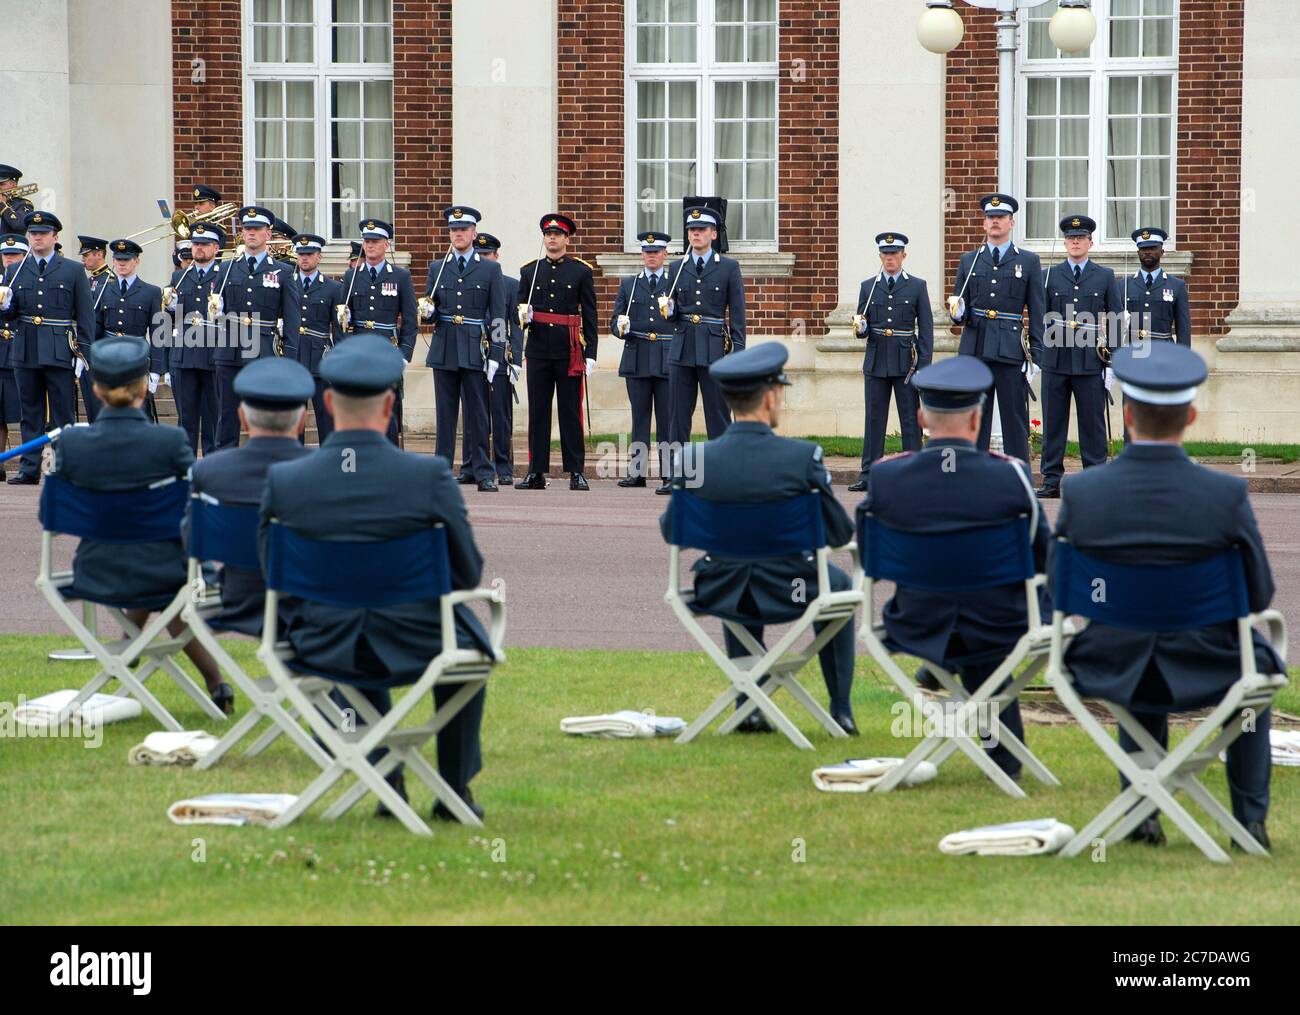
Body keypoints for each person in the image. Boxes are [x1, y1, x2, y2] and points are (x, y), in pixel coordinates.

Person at [1050, 342, 1284, 849]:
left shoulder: (1084, 492)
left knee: (1135, 646)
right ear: (1192, 415)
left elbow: (1060, 588)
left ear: (1127, 414)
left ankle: (1139, 813)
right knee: (1254, 675)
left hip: (1107, 658)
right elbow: (1259, 589)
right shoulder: (1224, 496)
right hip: (1210, 659)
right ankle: (1248, 819)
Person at [259, 333, 490, 819]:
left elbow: (271, 572)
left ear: (326, 403)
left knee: (352, 625)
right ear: (390, 405)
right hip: (420, 637)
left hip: (320, 641)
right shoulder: (428, 477)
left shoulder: (286, 480)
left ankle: (386, 781)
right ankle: (453, 791)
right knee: (466, 657)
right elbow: (468, 569)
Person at [857, 355, 1050, 779]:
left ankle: (945, 664)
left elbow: (870, 558)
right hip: (1002, 623)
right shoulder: (1012, 476)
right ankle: (1003, 758)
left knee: (963, 608)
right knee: (984, 615)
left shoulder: (888, 478)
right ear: (978, 419)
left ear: (922, 416)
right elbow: (1042, 556)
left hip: (916, 622)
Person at [658, 343, 858, 735]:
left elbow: (672, 530)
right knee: (839, 583)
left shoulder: (694, 459)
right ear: (770, 398)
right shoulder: (802, 458)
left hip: (718, 589)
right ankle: (841, 708)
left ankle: (747, 705)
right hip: (794, 588)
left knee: (736, 566)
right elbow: (839, 532)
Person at [51, 336, 232, 713]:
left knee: (145, 559)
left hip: (95, 571)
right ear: (142, 386)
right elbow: (193, 503)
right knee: (165, 577)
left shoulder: (72, 444)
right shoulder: (169, 441)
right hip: (165, 569)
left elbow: (51, 516)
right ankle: (215, 683)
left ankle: (130, 648)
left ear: (96, 390)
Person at [184, 356, 314, 635]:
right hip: (311, 607)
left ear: (242, 418)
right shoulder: (327, 473)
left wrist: (211, 578)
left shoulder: (209, 472)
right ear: (303, 421)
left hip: (237, 603)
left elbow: (188, 536)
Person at [947, 193, 1044, 464]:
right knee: (976, 413)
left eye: (1001, 218)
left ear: (1011, 223)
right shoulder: (970, 260)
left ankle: (1018, 473)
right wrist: (956, 312)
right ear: (984, 224)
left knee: (1014, 415)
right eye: (990, 218)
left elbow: (1037, 310)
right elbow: (959, 307)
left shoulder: (1027, 261)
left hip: (1009, 347)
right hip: (975, 344)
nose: (995, 222)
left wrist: (1036, 355)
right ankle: (974, 471)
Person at [0, 211, 94, 485]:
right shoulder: (15, 269)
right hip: (26, 346)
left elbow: (86, 315)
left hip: (58, 347)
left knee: (64, 411)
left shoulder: (73, 270)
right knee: (30, 412)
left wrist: (84, 353)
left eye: (42, 234)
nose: (37, 238)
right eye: (33, 234)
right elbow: (10, 314)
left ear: (54, 237)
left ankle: (65, 467)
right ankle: (30, 468)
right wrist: (5, 307)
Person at [421, 206, 508, 490]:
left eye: (463, 230)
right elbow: (432, 311)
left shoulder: (490, 268)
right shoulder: (438, 266)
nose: (458, 234)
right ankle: (441, 471)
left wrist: (497, 353)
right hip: (445, 345)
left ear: (473, 233)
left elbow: (497, 315)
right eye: (453, 230)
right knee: (445, 414)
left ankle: (483, 472)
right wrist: (427, 312)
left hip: (474, 347)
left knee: (478, 413)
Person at [1036, 214, 1120, 498]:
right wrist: (1037, 355)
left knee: (1092, 423)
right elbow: (1039, 318)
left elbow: (1117, 318)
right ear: (1064, 242)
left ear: (1090, 242)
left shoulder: (1105, 276)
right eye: (1071, 238)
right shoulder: (1049, 275)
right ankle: (1050, 480)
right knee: (1052, 422)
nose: (1075, 241)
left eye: (1081, 237)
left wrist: (1113, 362)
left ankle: (1094, 478)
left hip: (1090, 360)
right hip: (1056, 358)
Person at [516, 213, 598, 490]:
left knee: (570, 412)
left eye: (557, 234)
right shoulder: (529, 271)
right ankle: (536, 471)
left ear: (567, 238)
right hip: (538, 349)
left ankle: (576, 471)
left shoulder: (581, 271)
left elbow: (590, 314)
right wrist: (522, 316)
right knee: (538, 412)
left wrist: (592, 354)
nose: (552, 238)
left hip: (568, 349)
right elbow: (518, 311)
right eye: (548, 234)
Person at [848, 231, 933, 492]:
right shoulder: (868, 286)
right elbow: (862, 327)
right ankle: (869, 473)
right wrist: (860, 328)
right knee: (874, 419)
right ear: (880, 256)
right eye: (885, 254)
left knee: (910, 418)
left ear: (903, 255)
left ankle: (913, 470)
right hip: (876, 359)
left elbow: (926, 329)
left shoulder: (917, 286)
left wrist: (923, 365)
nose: (889, 258)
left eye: (894, 253)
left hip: (905, 360)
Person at [663, 205, 746, 452]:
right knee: (677, 414)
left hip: (715, 350)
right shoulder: (677, 268)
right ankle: (676, 472)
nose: (695, 234)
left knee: (718, 414)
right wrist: (669, 311)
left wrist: (738, 353)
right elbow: (672, 312)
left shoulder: (728, 267)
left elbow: (738, 314)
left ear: (714, 234)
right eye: (691, 230)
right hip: (682, 348)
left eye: (701, 229)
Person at [212, 206, 294, 450]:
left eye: (257, 229)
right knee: (226, 413)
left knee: (263, 412)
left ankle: (264, 460)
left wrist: (290, 356)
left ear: (268, 234)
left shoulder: (284, 271)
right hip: (230, 348)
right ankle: (224, 463)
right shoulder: (227, 268)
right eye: (247, 229)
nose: (251, 233)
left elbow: (292, 317)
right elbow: (216, 306)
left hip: (263, 348)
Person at [336, 218, 418, 446]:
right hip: (359, 350)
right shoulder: (352, 276)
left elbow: (410, 321)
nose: (370, 245)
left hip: (386, 350)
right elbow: (341, 317)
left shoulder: (400, 276)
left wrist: (404, 354)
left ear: (386, 244)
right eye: (367, 241)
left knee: (387, 409)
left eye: (375, 241)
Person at [456, 232, 523, 486]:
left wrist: (515, 357)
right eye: (480, 254)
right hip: (472, 352)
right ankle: (470, 465)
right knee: (473, 413)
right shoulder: (468, 278)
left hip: (498, 354)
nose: (484, 258)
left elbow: (513, 325)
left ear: (496, 256)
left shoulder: (509, 284)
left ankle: (504, 467)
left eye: (488, 255)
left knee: (500, 414)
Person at [611, 230, 673, 492]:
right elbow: (615, 322)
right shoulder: (629, 284)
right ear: (641, 255)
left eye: (656, 252)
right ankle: (637, 472)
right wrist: (620, 327)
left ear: (664, 254)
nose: (651, 256)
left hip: (666, 355)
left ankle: (669, 472)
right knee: (640, 418)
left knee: (668, 419)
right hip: (637, 355)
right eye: (647, 253)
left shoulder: (674, 283)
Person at [164, 221, 224, 455]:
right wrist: (170, 306)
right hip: (185, 354)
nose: (198, 248)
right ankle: (185, 465)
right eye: (196, 244)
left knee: (213, 416)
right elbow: (169, 318)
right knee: (186, 416)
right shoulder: (179, 276)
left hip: (213, 353)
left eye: (204, 244)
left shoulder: (223, 275)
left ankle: (212, 465)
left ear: (216, 248)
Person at [280, 232, 342, 443]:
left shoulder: (333, 288)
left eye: (310, 253)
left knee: (326, 416)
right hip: (293, 355)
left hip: (320, 358)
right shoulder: (287, 282)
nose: (304, 258)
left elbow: (339, 329)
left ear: (319, 256)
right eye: (301, 254)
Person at [95, 239, 165, 423]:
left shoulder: (151, 292)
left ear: (136, 261)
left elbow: (157, 331)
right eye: (118, 259)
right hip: (108, 355)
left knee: (140, 409)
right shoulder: (102, 290)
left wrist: (156, 370)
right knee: (107, 408)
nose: (122, 263)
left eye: (127, 259)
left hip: (137, 356)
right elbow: (96, 327)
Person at [1124, 226, 1191, 347]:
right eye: (1143, 248)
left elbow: (1183, 327)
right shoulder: (1123, 285)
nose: (1147, 252)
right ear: (1138, 252)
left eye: (1153, 248)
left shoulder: (1176, 286)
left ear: (1162, 251)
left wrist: (1183, 358)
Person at [0, 233, 26, 473]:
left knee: (25, 414)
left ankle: (28, 464)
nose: (9, 260)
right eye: (6, 256)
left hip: (21, 352)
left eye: (14, 255)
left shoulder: (28, 280)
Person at [0, 165, 34, 236]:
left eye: (1, 184)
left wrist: (2, 205)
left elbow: (19, 225)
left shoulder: (23, 204)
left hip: (9, 245)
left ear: (13, 185)